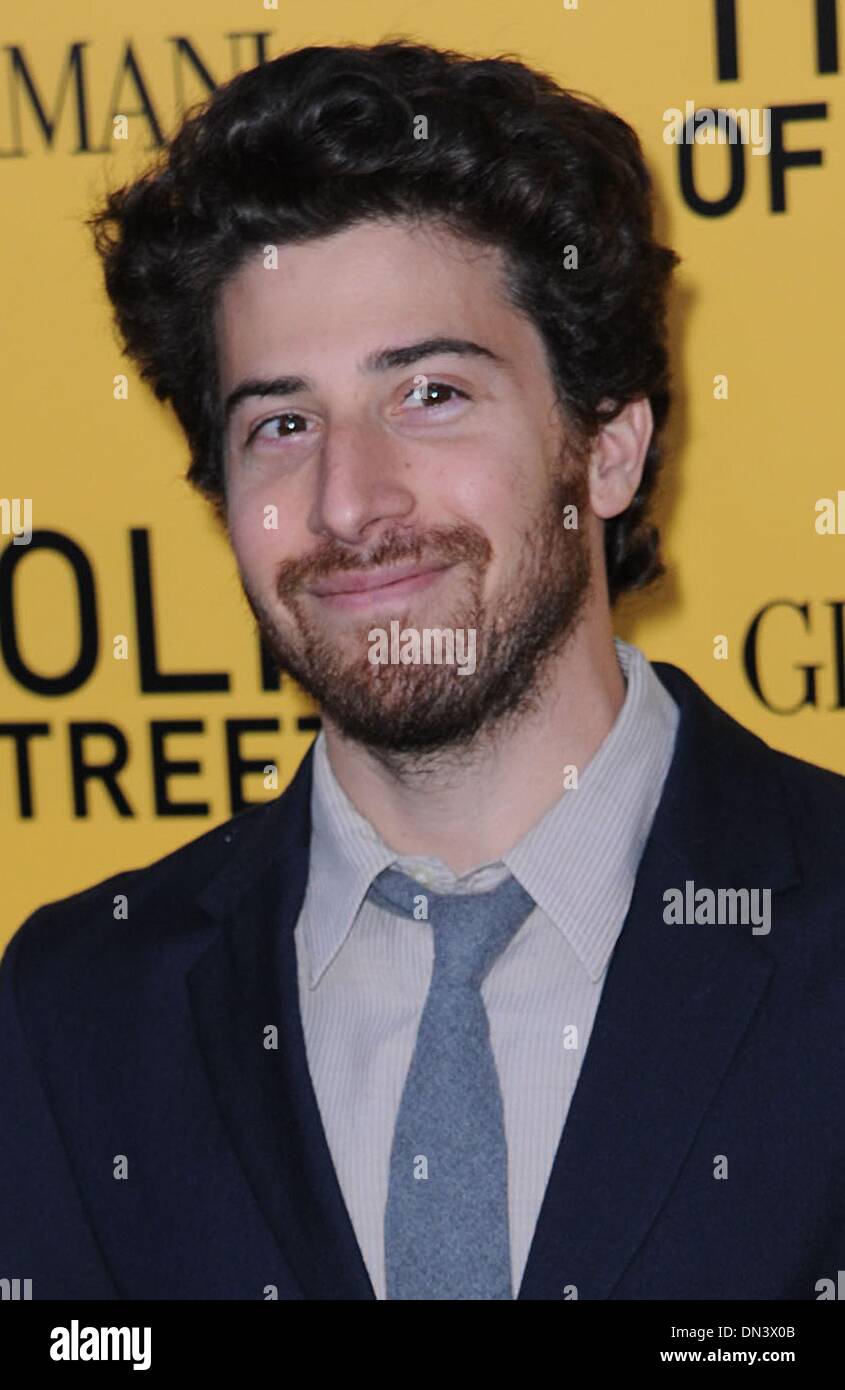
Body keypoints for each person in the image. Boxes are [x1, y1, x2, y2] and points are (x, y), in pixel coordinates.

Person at [2, 39, 843, 1302]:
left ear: (604, 450)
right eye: (280, 424)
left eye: (430, 393)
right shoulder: (79, 1010)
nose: (348, 502)